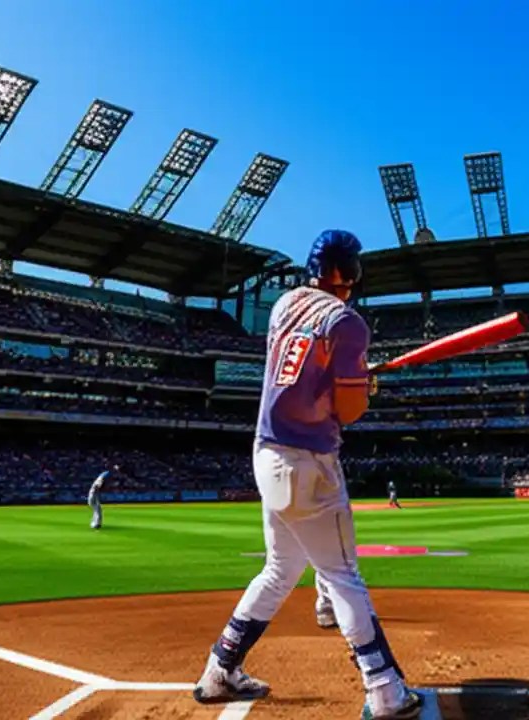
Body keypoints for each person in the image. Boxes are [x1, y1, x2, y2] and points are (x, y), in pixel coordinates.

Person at [193, 230, 423, 720]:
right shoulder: (349, 322)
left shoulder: (284, 305)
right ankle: (384, 689)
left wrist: (354, 376)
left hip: (266, 453)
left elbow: (306, 376)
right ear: (349, 272)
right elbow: (351, 409)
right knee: (342, 577)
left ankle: (219, 670)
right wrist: (363, 385)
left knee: (279, 571)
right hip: (310, 463)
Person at [88, 464, 117, 530]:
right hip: (93, 494)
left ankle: (95, 523)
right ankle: (96, 524)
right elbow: (97, 486)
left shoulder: (104, 474)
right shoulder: (105, 475)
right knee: (97, 509)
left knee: (97, 509)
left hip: (93, 493)